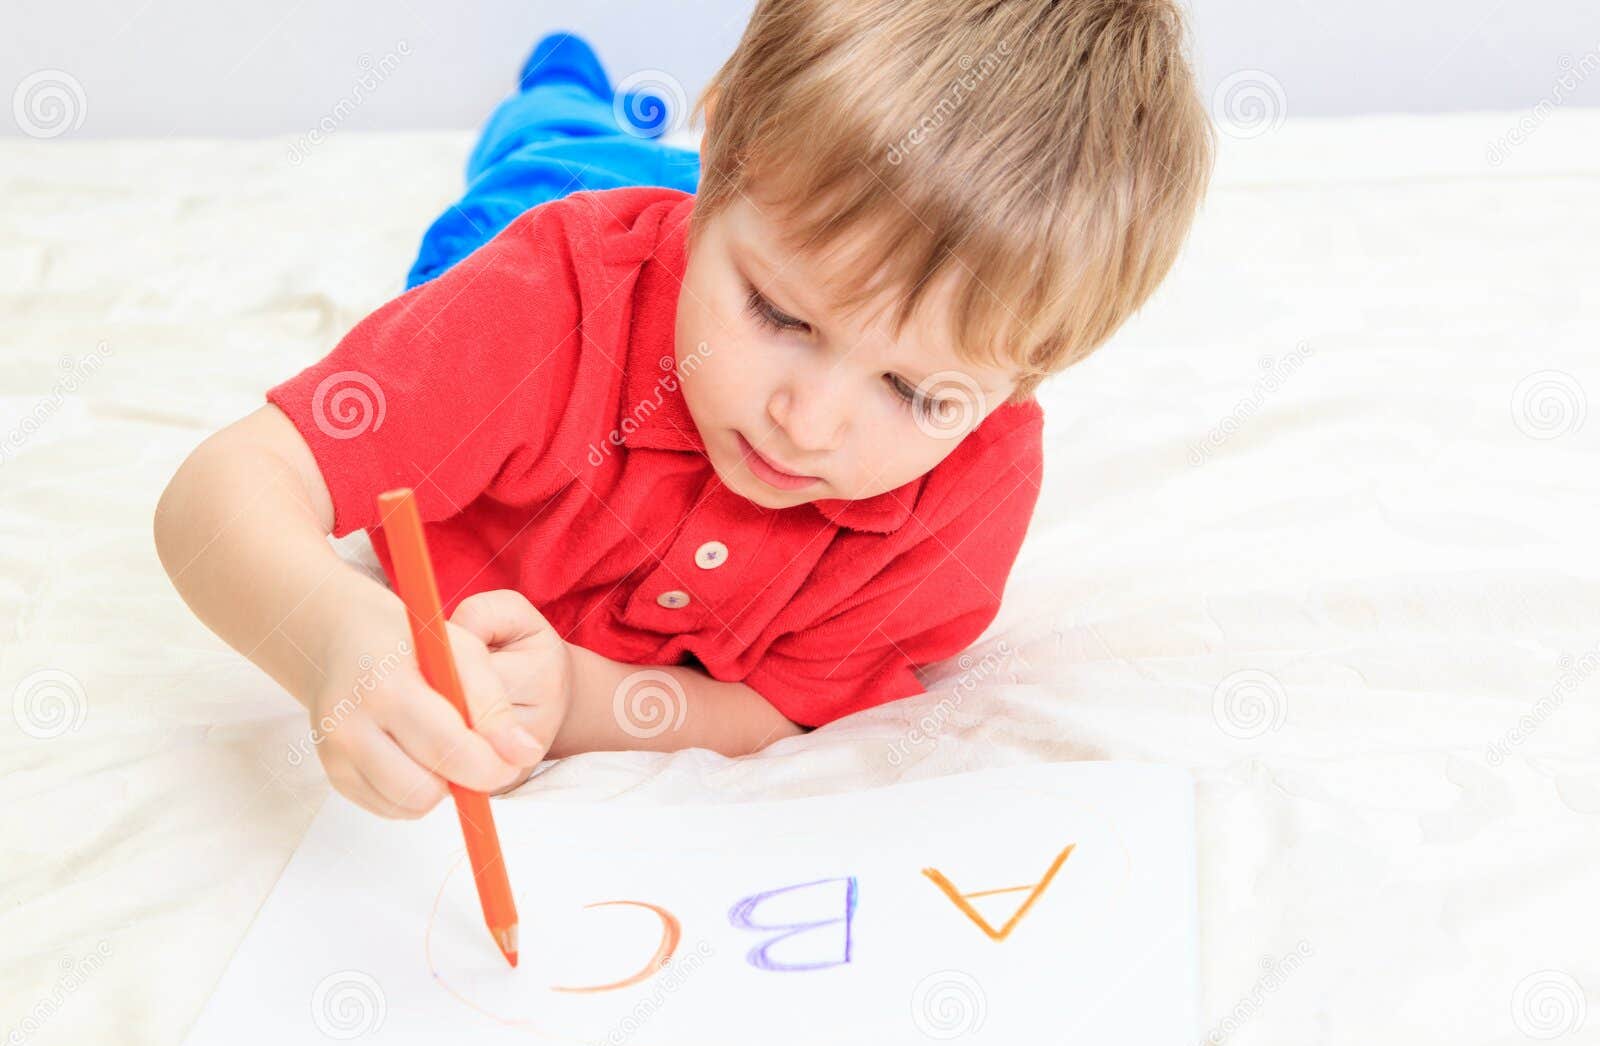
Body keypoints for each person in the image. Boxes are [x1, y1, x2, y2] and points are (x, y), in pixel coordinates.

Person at [154, 3, 1215, 819]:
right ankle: (561, 85)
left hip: (713, 208)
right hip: (547, 201)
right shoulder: (536, 305)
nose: (807, 421)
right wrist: (330, 635)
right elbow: (224, 489)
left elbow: (785, 704)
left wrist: (576, 696)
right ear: (722, 170)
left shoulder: (971, 490)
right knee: (543, 137)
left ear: (1025, 379)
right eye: (776, 313)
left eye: (911, 389)